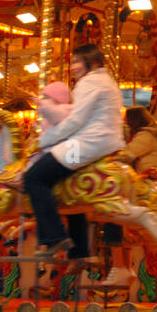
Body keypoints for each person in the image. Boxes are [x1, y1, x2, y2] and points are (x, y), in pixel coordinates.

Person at [25, 44, 123, 260]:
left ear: (93, 62)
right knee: (70, 188)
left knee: (33, 177)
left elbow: (75, 121)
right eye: (72, 62)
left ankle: (53, 237)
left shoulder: (90, 83)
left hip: (88, 143)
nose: (73, 68)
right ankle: (78, 251)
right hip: (101, 141)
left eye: (78, 62)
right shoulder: (106, 82)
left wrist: (44, 140)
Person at [101, 107, 157, 279]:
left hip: (147, 186)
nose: (126, 124)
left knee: (111, 211)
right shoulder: (154, 134)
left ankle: (118, 265)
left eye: (127, 121)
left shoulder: (146, 136)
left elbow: (126, 154)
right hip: (154, 184)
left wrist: (103, 160)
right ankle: (125, 264)